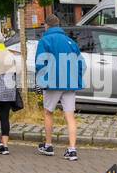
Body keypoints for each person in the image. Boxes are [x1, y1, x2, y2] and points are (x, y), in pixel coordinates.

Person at [35, 14, 84, 161]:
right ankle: (72, 149)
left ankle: (48, 145)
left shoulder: (45, 40)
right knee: (70, 115)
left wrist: (41, 80)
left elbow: (40, 63)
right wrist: (77, 78)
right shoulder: (70, 42)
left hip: (53, 83)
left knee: (48, 112)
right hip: (70, 83)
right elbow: (80, 63)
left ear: (47, 25)